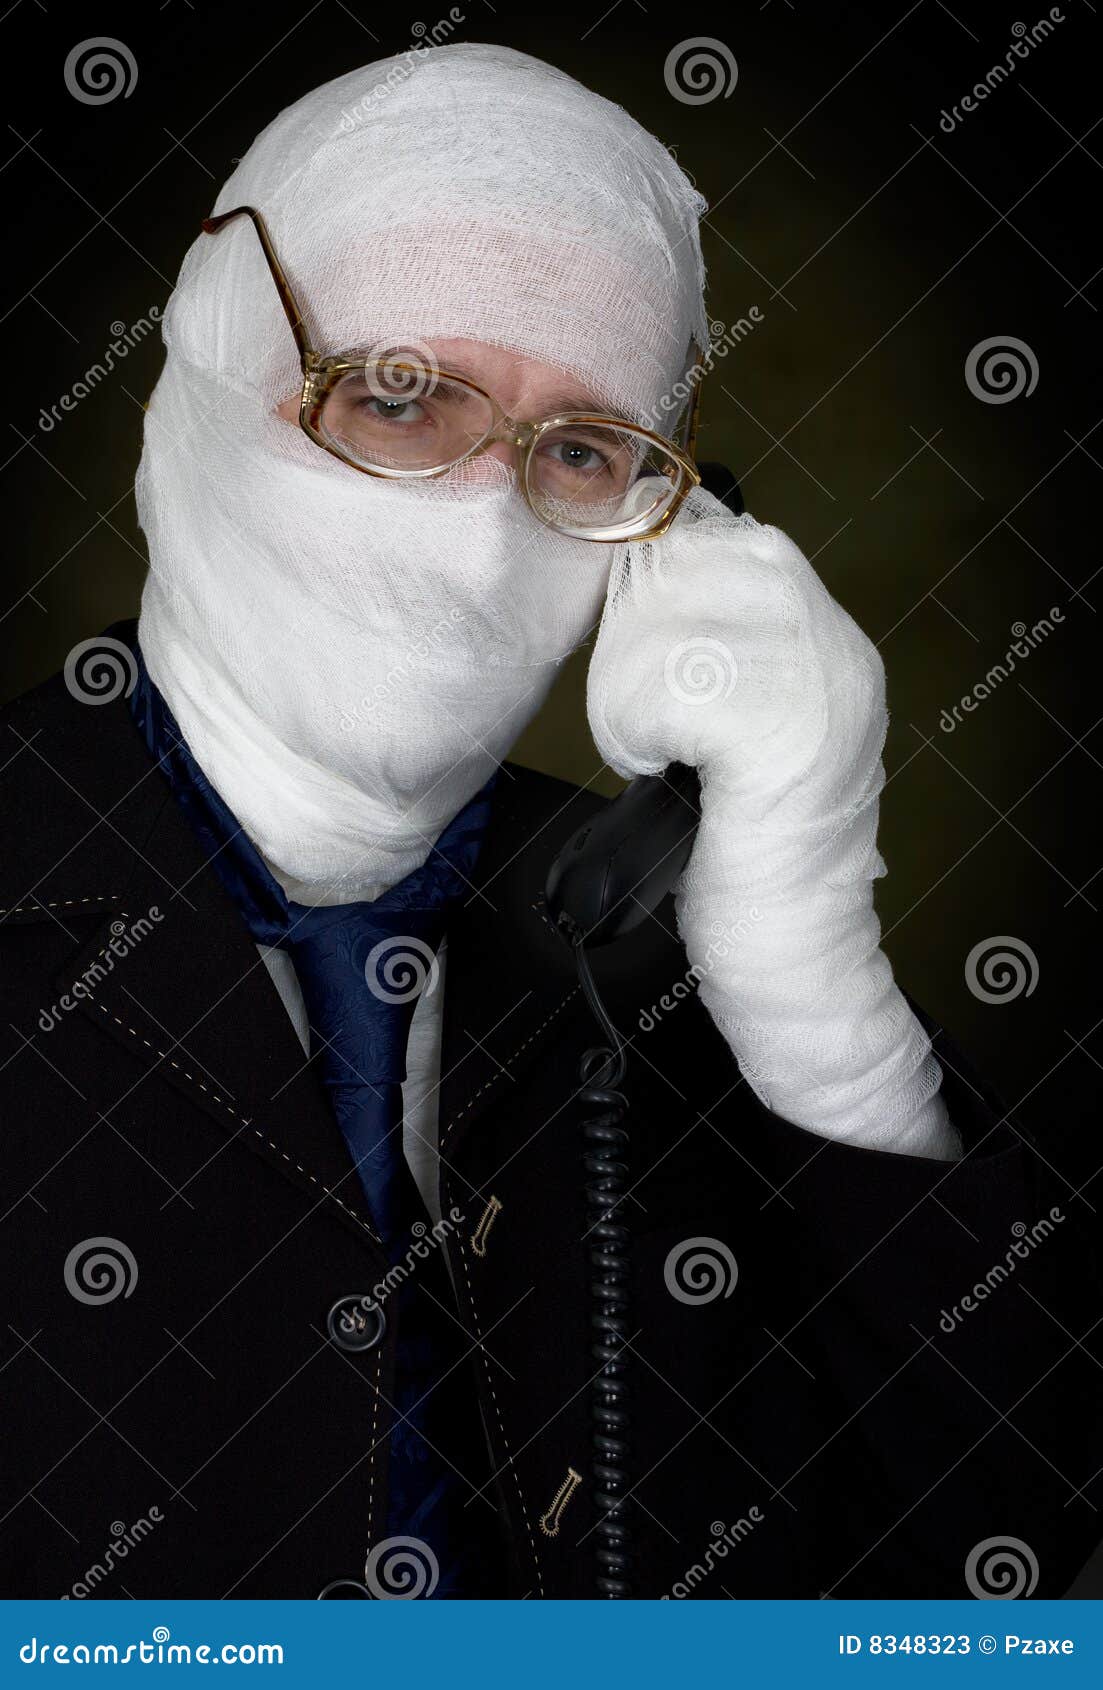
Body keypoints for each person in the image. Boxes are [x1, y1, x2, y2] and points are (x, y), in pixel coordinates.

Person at [0, 43, 1098, 1602]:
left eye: (581, 449)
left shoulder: (660, 963)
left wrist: (818, 999)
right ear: (218, 364)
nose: (479, 528)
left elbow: (991, 1580)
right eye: (395, 395)